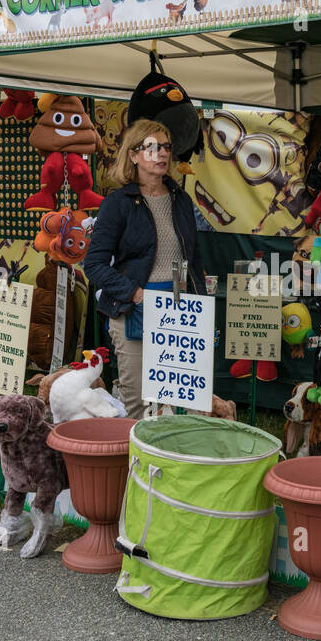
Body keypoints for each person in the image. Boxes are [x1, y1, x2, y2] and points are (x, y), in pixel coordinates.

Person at [83, 119, 206, 417]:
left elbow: (185, 258)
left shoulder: (181, 200)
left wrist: (193, 303)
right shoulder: (117, 203)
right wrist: (136, 294)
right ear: (134, 155)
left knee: (182, 403)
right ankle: (133, 464)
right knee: (136, 403)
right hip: (132, 311)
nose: (162, 154)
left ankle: (173, 462)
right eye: (151, 147)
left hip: (176, 311)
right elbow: (94, 264)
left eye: (165, 147)